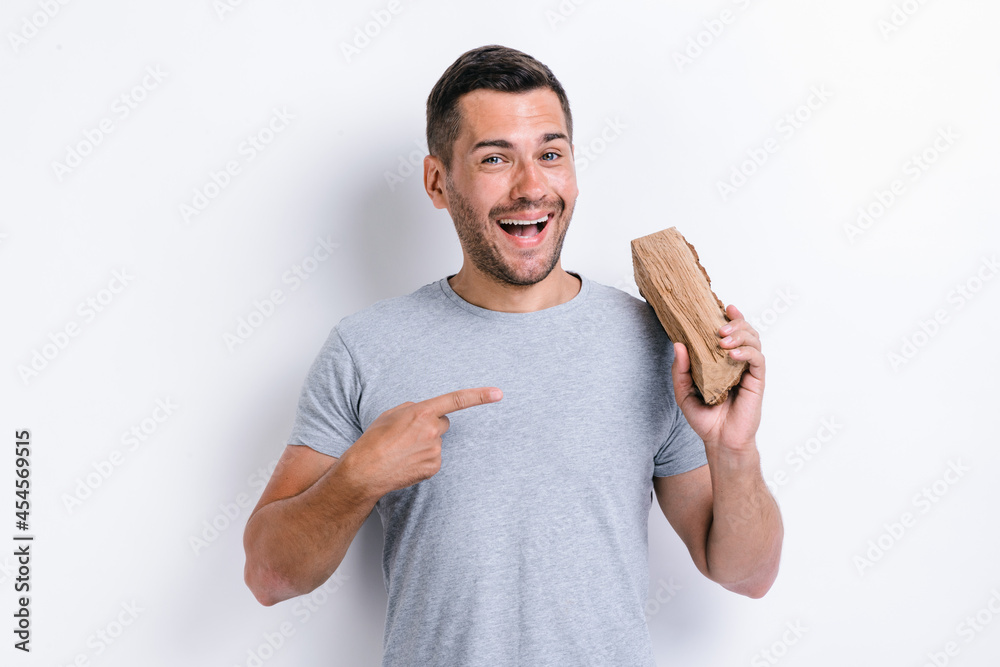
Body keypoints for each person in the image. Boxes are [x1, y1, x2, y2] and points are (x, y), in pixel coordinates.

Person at [243, 44, 782, 666]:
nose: (531, 188)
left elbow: (748, 575)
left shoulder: (658, 343)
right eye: (495, 158)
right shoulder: (365, 348)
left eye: (550, 155)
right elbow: (269, 577)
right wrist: (361, 474)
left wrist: (733, 450)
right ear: (438, 182)